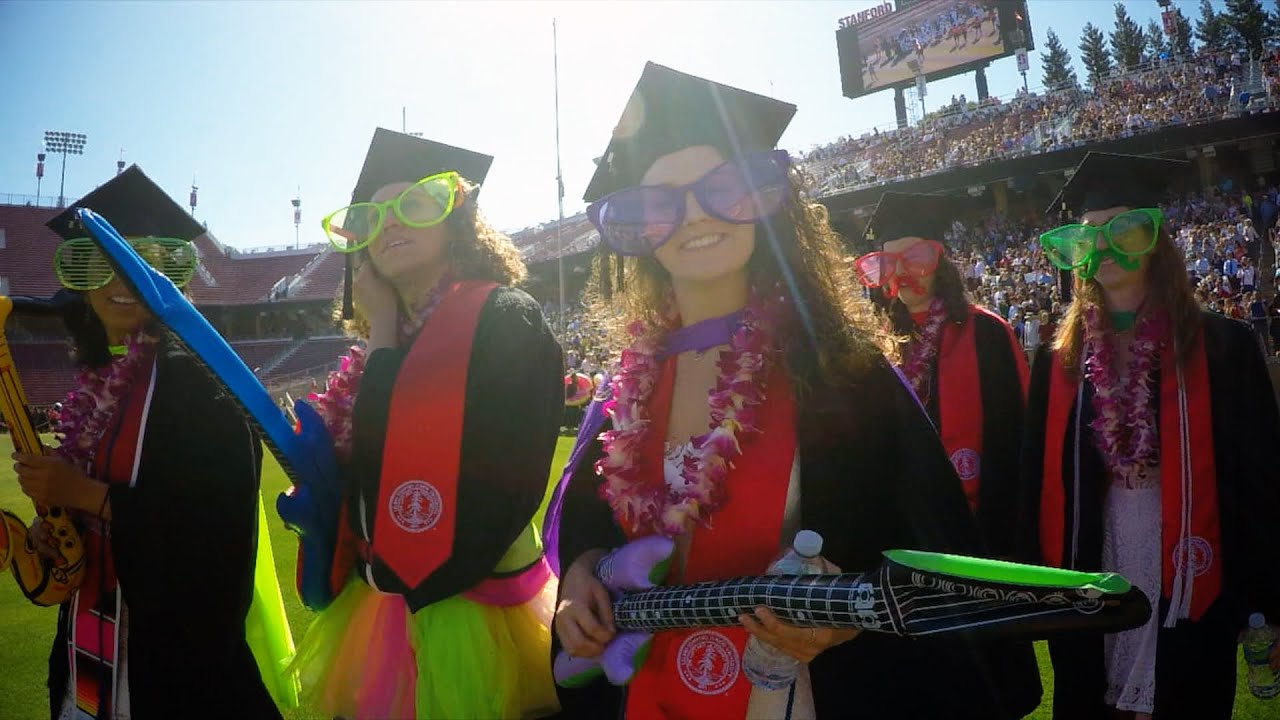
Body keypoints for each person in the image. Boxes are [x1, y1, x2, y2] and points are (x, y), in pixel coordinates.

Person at [547, 62, 1040, 720]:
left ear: (766, 200)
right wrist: (581, 574)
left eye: (723, 186)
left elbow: (923, 554)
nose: (694, 215)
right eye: (662, 200)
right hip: (650, 694)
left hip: (805, 694)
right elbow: (588, 528)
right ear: (639, 231)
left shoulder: (843, 371)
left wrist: (848, 618)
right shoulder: (626, 389)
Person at [285, 128, 563, 720]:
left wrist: (420, 581)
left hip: (474, 600)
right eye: (371, 215)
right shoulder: (384, 338)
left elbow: (506, 481)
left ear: (455, 216)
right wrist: (382, 329)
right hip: (380, 605)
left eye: (413, 204)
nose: (389, 223)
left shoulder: (506, 318)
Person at [13, 166, 288, 719]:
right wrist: (61, 527)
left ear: (172, 278)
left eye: (142, 265)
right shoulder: (101, 384)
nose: (120, 283)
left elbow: (216, 539)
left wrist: (88, 496)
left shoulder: (200, 385)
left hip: (174, 674)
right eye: (99, 265)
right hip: (89, 657)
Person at [1020, 152, 1280, 719]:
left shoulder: (1223, 346)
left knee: (1182, 691)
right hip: (1093, 546)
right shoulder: (1058, 358)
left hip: (1190, 552)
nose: (1105, 248)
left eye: (1125, 230)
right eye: (1090, 237)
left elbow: (1262, 478)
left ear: (1155, 241)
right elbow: (1034, 477)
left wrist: (1265, 596)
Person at [852, 193, 1029, 556]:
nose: (901, 274)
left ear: (940, 263)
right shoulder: (881, 345)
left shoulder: (987, 333)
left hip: (981, 527)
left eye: (915, 259)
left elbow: (1015, 435)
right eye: (890, 263)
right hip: (906, 531)